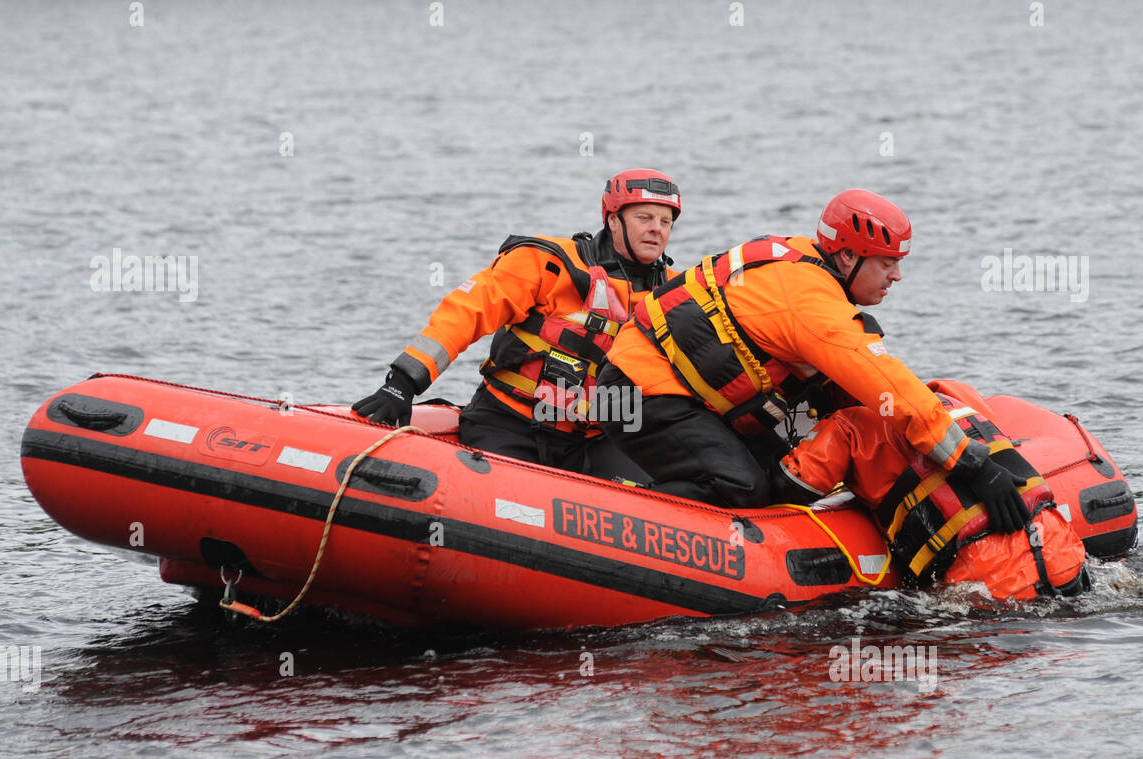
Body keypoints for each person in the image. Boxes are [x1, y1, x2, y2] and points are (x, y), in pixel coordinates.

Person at [597, 188, 1028, 532]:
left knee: (781, 481)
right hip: (639, 388)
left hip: (683, 391)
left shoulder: (801, 266)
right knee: (742, 488)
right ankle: (615, 514)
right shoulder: (813, 303)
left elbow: (852, 393)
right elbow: (889, 386)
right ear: (846, 256)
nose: (897, 276)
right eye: (887, 264)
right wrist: (974, 464)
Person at [352, 170, 681, 477]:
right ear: (612, 220)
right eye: (644, 217)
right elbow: (467, 312)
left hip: (601, 436)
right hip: (511, 423)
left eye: (666, 222)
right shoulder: (547, 263)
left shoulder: (675, 296)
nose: (657, 229)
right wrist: (404, 381)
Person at [778, 384, 1090, 600]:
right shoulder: (945, 398)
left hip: (988, 576)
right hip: (1062, 549)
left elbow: (793, 486)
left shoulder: (848, 425)